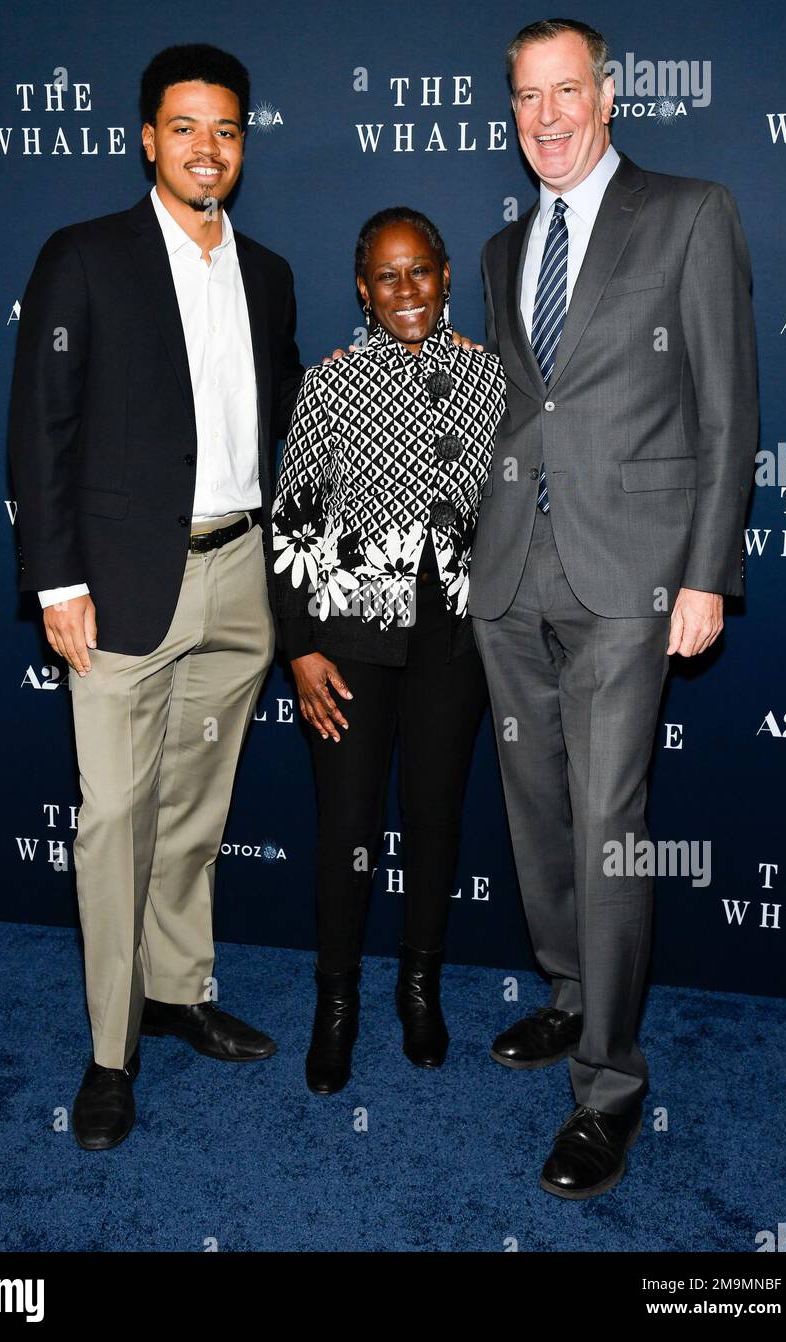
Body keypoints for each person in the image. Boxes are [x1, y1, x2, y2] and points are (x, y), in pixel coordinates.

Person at [469, 18, 759, 1198]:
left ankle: (607, 1084)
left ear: (606, 96)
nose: (545, 116)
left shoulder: (688, 212)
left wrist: (704, 572)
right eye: (526, 98)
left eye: (564, 91)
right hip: (510, 573)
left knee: (606, 823)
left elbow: (726, 410)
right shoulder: (501, 247)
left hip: (633, 577)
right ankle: (568, 991)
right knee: (537, 817)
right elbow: (512, 410)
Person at [9, 43, 304, 1150]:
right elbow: (39, 427)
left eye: (225, 129)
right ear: (146, 137)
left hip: (241, 576)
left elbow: (288, 411)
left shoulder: (266, 273)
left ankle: (177, 990)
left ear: (242, 142)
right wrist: (57, 577)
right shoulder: (83, 257)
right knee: (114, 823)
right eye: (184, 127)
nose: (206, 148)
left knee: (194, 808)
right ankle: (108, 1052)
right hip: (124, 580)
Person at [272, 208, 504, 1094]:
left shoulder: (492, 380)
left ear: (446, 275)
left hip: (456, 642)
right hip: (349, 647)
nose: (405, 290)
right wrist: (299, 647)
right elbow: (290, 516)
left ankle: (419, 987)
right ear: (363, 288)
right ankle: (337, 1004)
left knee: (437, 820)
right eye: (386, 276)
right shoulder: (331, 386)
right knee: (346, 830)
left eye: (420, 271)